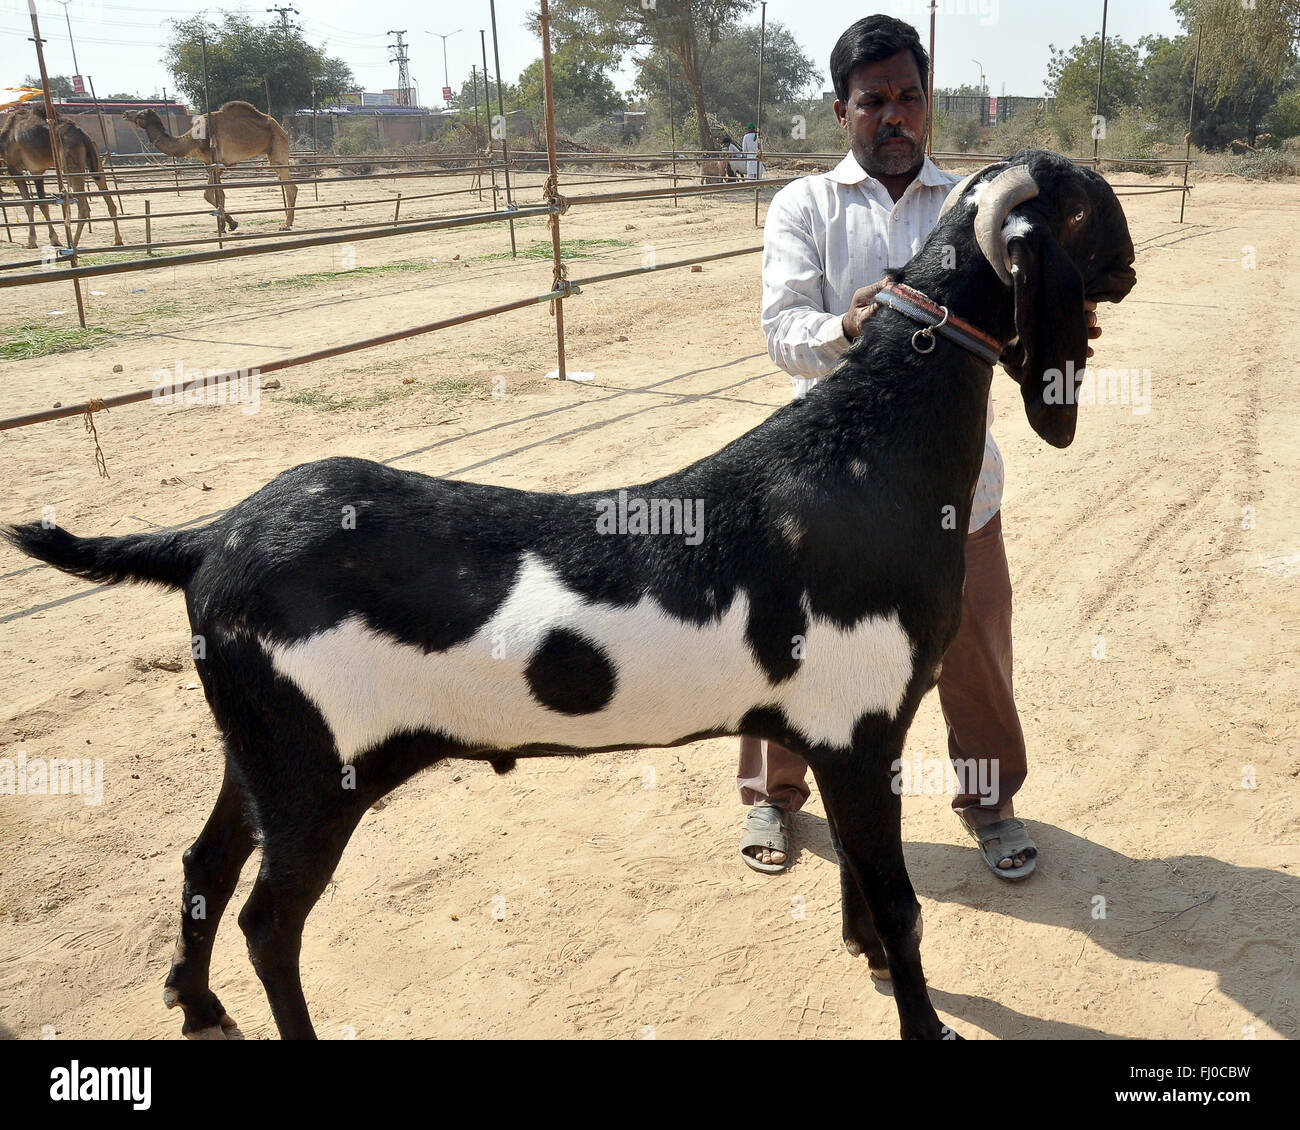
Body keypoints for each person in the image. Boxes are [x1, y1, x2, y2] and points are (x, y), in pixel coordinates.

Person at [736, 14, 1101, 881]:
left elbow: (1028, 326)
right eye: (873, 101)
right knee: (793, 646)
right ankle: (772, 796)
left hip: (955, 486)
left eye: (909, 96)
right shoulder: (806, 207)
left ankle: (989, 803)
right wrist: (847, 325)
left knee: (971, 644)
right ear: (840, 111)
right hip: (830, 487)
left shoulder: (982, 207)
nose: (894, 115)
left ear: (928, 102)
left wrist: (1060, 325)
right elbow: (782, 331)